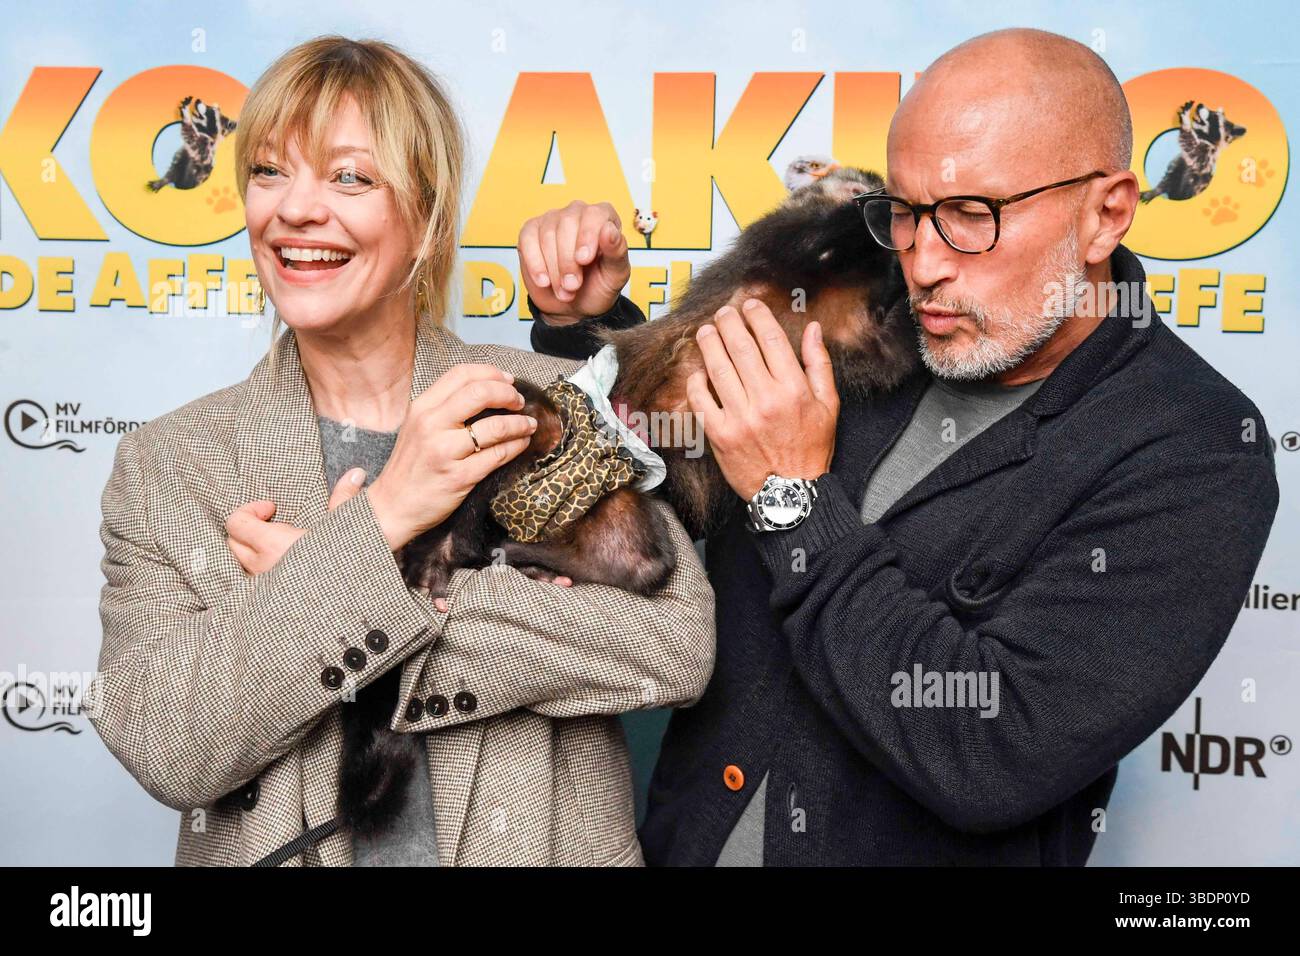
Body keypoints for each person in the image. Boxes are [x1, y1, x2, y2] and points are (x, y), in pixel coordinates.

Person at [521, 27, 1279, 865]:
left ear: (1107, 212)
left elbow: (992, 754)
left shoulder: (1196, 450)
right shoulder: (872, 315)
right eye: (908, 213)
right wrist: (584, 330)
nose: (922, 264)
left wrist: (793, 500)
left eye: (969, 217)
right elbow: (674, 473)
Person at [87, 35, 714, 867]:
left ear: (426, 213)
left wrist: (340, 590)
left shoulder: (541, 402)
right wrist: (375, 531)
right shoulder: (172, 466)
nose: (297, 210)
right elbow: (167, 738)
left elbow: (673, 648)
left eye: (350, 177)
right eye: (270, 171)